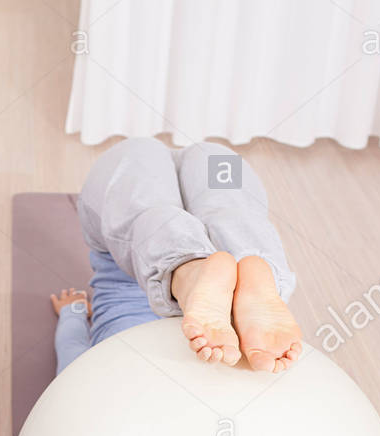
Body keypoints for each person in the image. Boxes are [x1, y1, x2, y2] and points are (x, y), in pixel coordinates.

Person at [51, 138, 302, 373]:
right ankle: (185, 271)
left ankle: (198, 270)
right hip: (134, 267)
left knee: (230, 207)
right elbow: (70, 345)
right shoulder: (91, 387)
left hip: (210, 307)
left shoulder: (92, 390)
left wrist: (72, 312)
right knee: (146, 198)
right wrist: (72, 312)